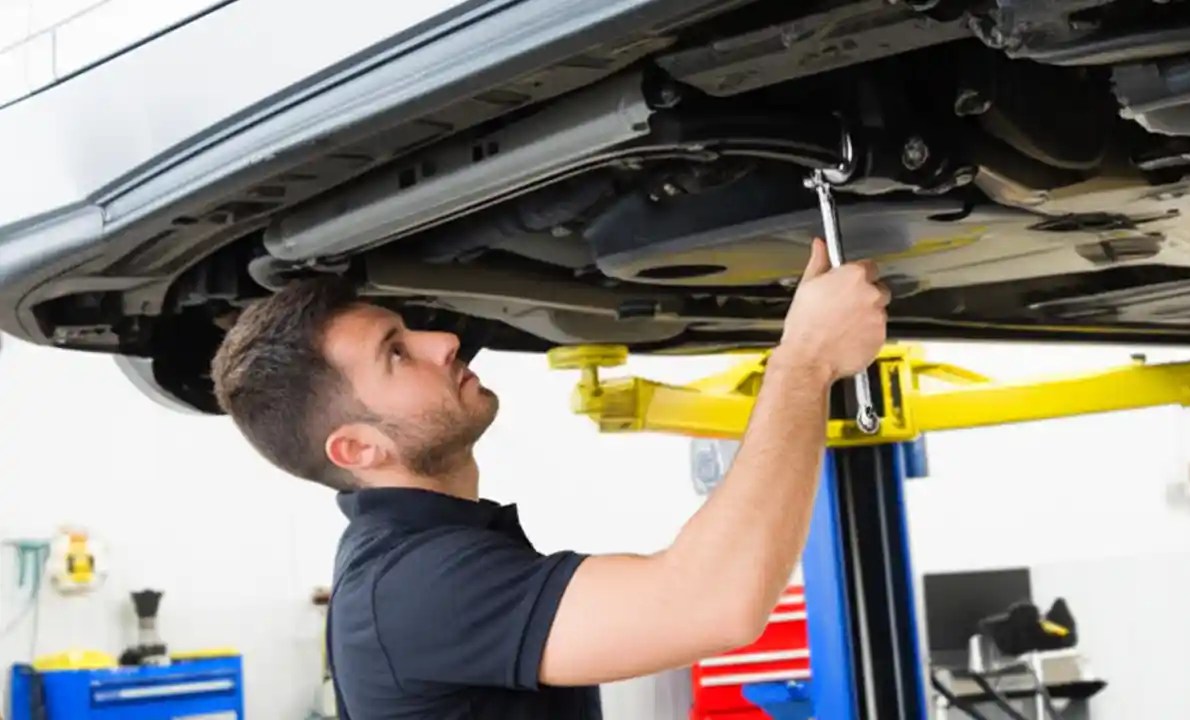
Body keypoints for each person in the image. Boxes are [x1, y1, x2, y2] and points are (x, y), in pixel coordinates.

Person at [210, 237, 890, 719]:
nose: (442, 341)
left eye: (407, 330)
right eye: (397, 354)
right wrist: (804, 362)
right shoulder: (413, 588)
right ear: (359, 448)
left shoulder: (408, 565)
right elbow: (711, 600)